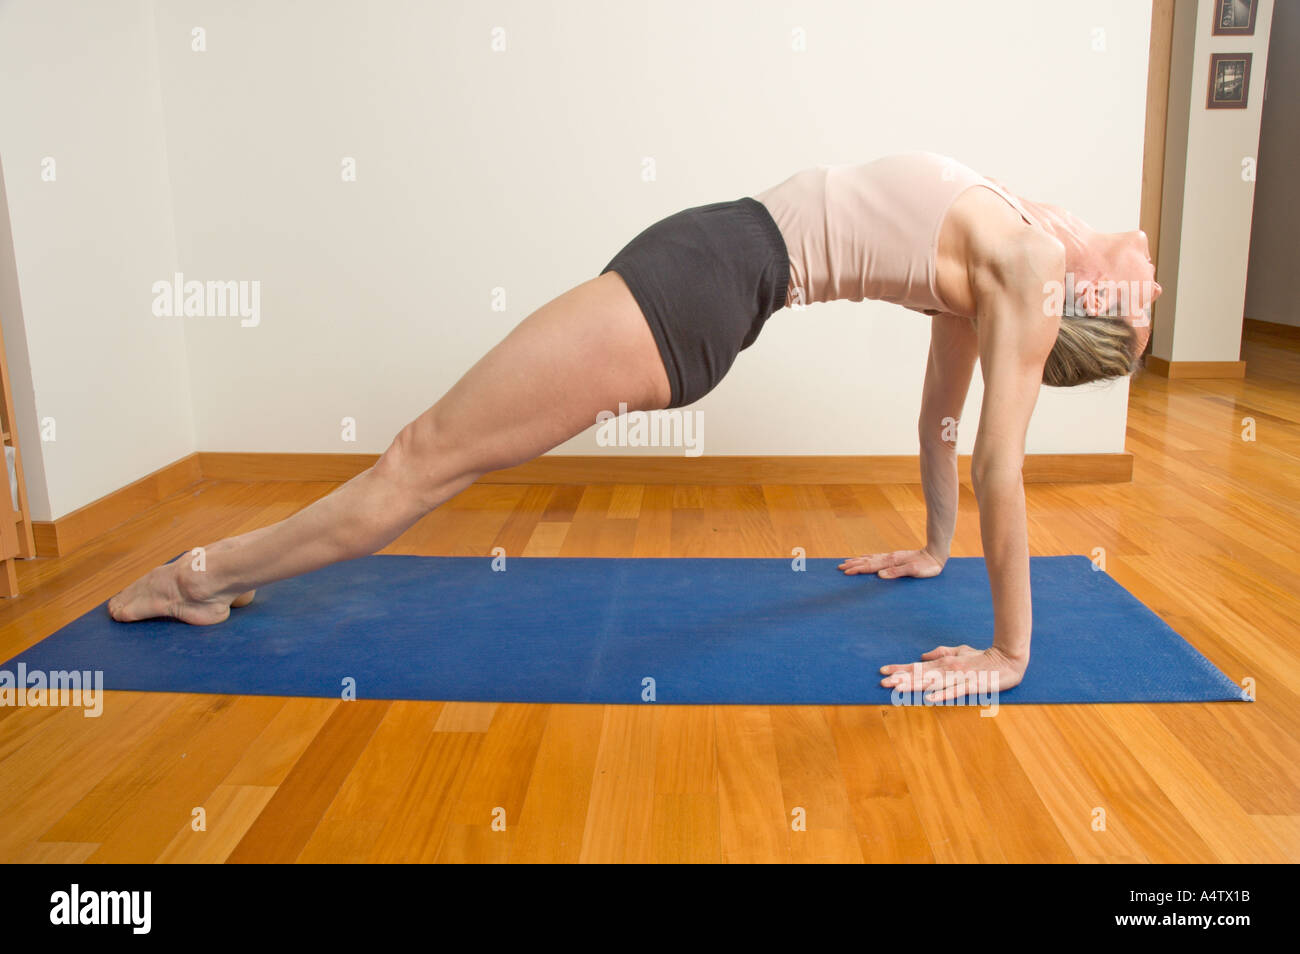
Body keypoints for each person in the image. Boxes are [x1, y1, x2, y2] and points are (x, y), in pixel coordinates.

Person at [107, 151, 1160, 702]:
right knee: (427, 456)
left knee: (422, 460)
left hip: (699, 290)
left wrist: (1008, 652)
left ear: (1084, 312)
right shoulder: (1005, 252)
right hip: (703, 264)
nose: (1149, 268)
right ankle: (214, 574)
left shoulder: (1031, 268)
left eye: (1144, 306)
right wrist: (933, 550)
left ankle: (192, 577)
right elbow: (936, 418)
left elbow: (991, 459)